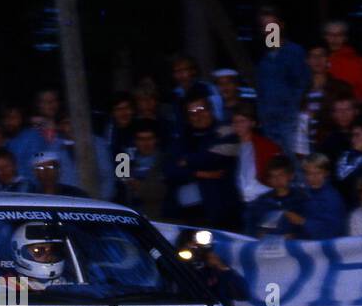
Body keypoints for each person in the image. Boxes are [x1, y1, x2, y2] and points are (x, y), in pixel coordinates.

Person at [164, 92, 239, 229]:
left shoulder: (226, 130)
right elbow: (170, 171)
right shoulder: (181, 138)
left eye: (202, 109)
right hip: (183, 216)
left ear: (210, 109)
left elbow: (213, 159)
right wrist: (200, 174)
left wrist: (186, 161)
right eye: (192, 112)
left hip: (220, 211)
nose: (198, 115)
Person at [253, 8, 309, 155]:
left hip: (290, 122)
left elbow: (302, 84)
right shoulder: (263, 60)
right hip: (269, 124)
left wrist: (293, 113)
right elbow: (261, 92)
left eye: (272, 25)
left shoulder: (294, 52)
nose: (269, 30)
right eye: (265, 26)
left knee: (294, 163)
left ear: (281, 26)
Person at [229, 102, 280, 205]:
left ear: (252, 123)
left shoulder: (266, 145)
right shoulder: (229, 146)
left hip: (263, 197)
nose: (238, 125)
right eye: (235, 122)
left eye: (242, 121)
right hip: (240, 201)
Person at [116, 119, 168, 220]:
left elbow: (163, 191)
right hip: (129, 217)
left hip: (157, 217)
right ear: (135, 141)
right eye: (141, 139)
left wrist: (139, 186)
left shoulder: (165, 160)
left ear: (156, 139)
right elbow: (120, 188)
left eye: (150, 138)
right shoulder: (124, 159)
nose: (146, 143)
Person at [243, 156, 306, 238]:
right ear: (269, 180)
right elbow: (249, 228)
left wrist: (295, 235)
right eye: (273, 176)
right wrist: (257, 234)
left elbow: (311, 227)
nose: (277, 179)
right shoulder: (260, 203)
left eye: (281, 175)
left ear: (291, 176)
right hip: (265, 247)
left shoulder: (303, 200)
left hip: (294, 247)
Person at [4, 222, 73, 290]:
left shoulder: (70, 285)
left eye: (53, 250)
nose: (48, 256)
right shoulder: (6, 288)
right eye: (38, 250)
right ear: (19, 252)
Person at [322, 20, 362, 101]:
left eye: (339, 35)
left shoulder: (358, 62)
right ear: (325, 37)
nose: (334, 39)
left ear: (345, 37)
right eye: (330, 35)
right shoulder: (319, 60)